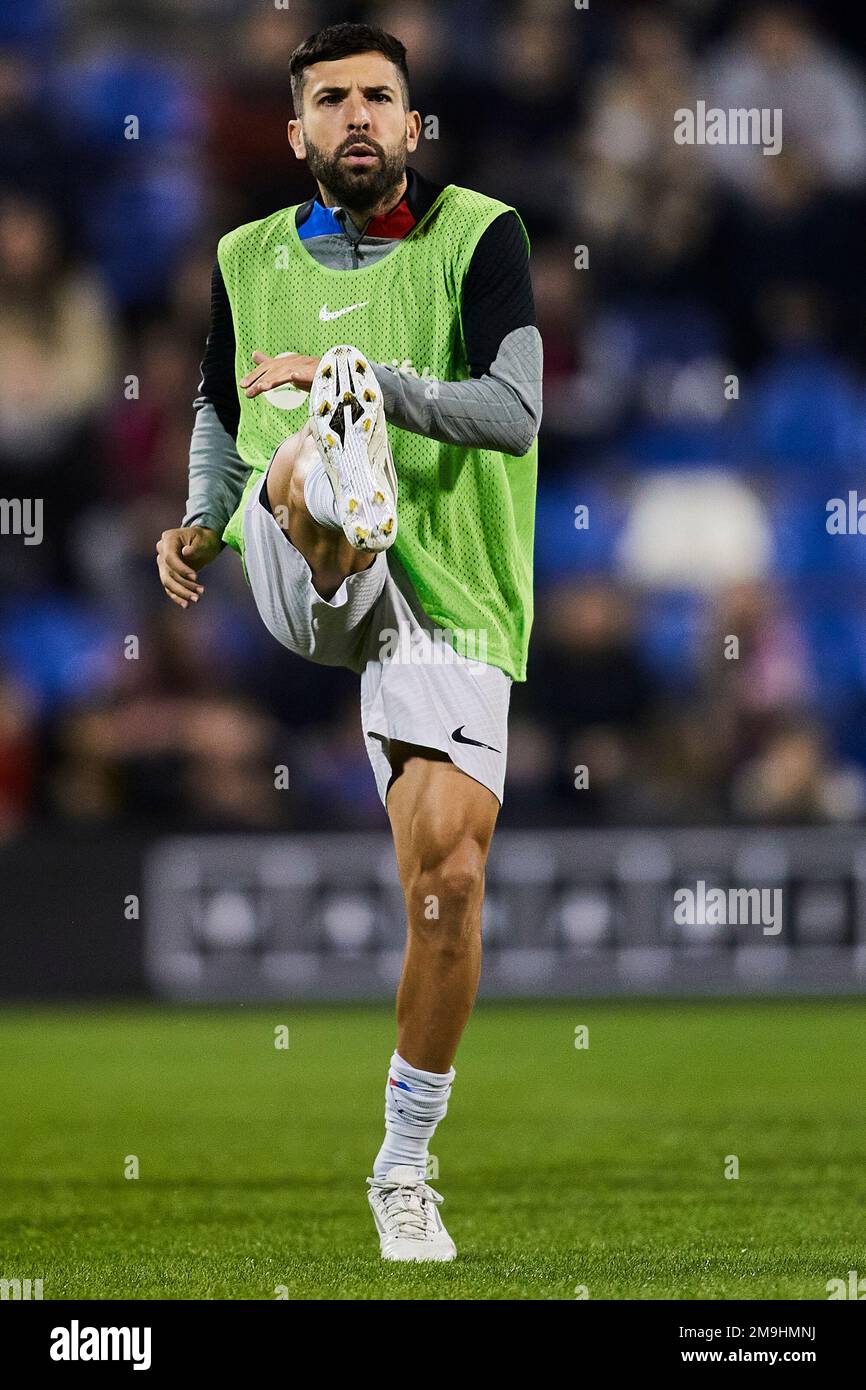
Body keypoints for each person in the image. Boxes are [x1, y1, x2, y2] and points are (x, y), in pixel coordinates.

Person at [156, 21, 542, 1261]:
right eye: (332, 100)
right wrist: (199, 520)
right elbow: (219, 407)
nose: (358, 115)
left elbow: (516, 409)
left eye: (381, 96)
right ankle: (331, 488)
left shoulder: (483, 236)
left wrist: (372, 377)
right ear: (296, 133)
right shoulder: (242, 256)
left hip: (447, 588)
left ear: (413, 124)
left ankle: (400, 1164)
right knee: (293, 455)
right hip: (289, 552)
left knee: (446, 886)